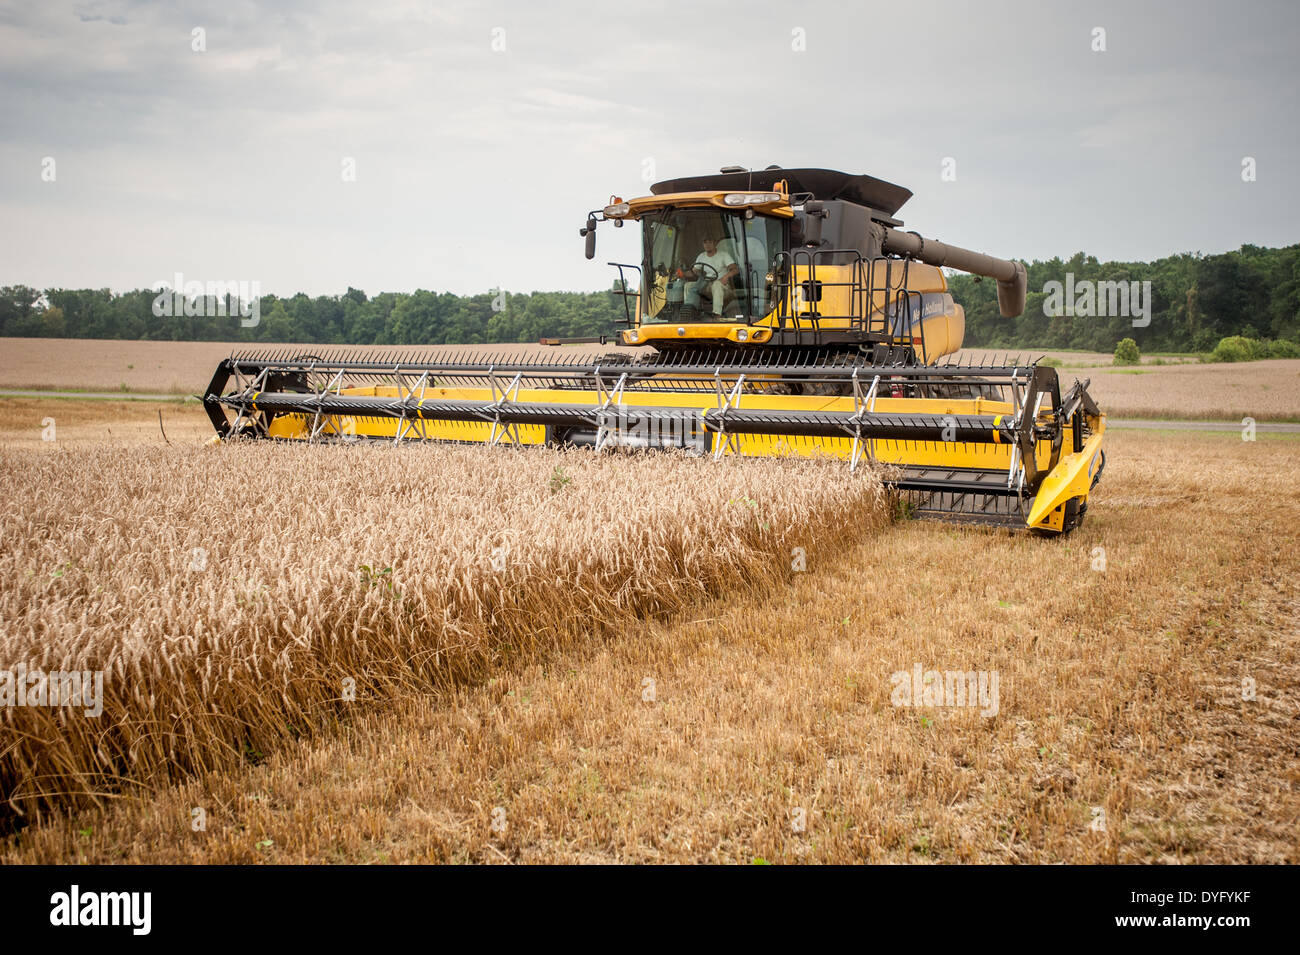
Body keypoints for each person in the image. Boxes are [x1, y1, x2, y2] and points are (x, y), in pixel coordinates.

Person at [679, 236, 738, 317]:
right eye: (705, 242)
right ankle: (689, 312)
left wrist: (725, 277)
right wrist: (682, 274)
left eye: (710, 242)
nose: (707, 245)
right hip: (707, 286)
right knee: (688, 285)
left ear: (715, 243)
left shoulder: (723, 255)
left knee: (717, 284)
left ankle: (717, 315)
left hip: (723, 288)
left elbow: (735, 269)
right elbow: (693, 272)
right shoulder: (701, 256)